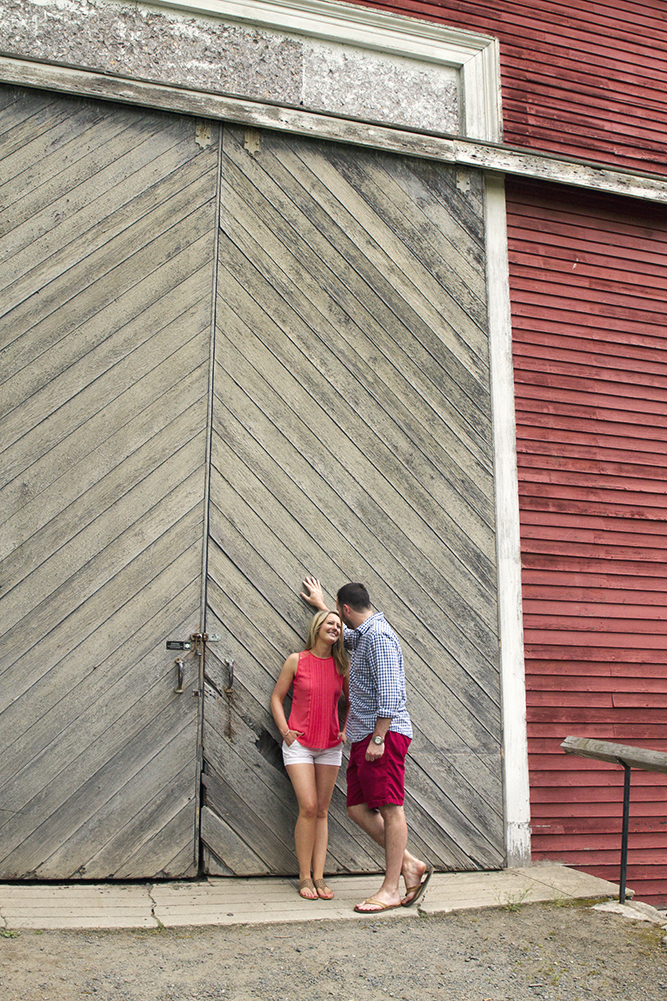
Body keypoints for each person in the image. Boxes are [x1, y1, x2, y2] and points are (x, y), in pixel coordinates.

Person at [301, 576, 432, 913]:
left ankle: (390, 889)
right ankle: (410, 864)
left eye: (338, 614)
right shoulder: (366, 634)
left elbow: (391, 694)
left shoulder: (381, 638)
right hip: (363, 736)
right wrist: (321, 606)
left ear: (345, 609)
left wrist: (378, 738)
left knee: (391, 809)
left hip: (382, 736)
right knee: (357, 808)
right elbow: (350, 634)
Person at [271, 609, 349, 900]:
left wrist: (345, 729)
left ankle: (320, 877)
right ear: (317, 627)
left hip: (330, 747)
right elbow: (277, 698)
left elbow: (351, 703)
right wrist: (284, 729)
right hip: (299, 745)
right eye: (330, 623)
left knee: (322, 811)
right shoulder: (296, 660)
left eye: (339, 625)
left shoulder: (342, 666)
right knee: (308, 806)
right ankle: (304, 877)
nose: (336, 628)